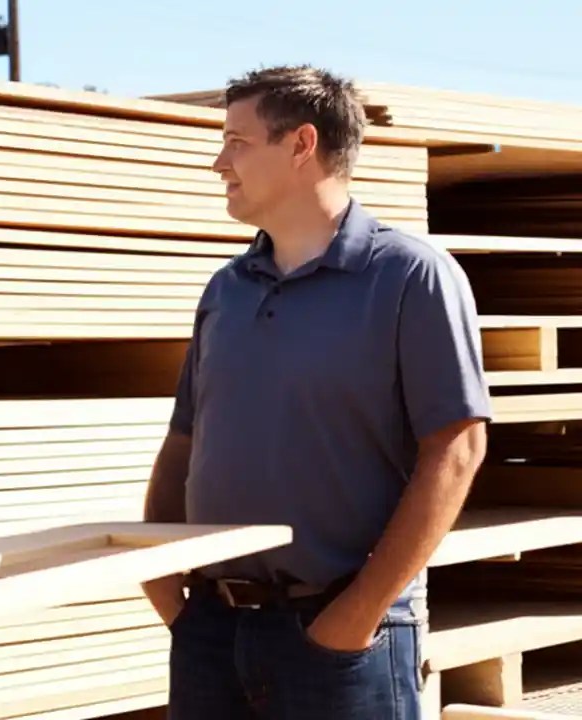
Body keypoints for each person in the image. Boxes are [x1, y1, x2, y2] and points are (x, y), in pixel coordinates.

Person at [142, 65, 491, 719]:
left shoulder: (411, 277)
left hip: (339, 638)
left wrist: (352, 619)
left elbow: (458, 449)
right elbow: (184, 444)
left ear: (302, 145)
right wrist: (170, 597)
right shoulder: (226, 289)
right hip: (211, 634)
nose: (220, 162)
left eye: (237, 141)